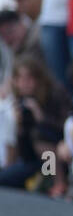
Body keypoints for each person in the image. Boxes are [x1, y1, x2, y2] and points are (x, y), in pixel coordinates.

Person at [0, 54, 68, 189]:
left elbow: (65, 126)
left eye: (29, 78)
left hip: (57, 150)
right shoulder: (20, 101)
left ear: (38, 78)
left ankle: (56, 182)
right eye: (20, 78)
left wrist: (41, 117)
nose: (24, 83)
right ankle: (39, 182)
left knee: (42, 142)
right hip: (33, 159)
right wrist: (19, 127)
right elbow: (26, 154)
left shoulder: (54, 93)